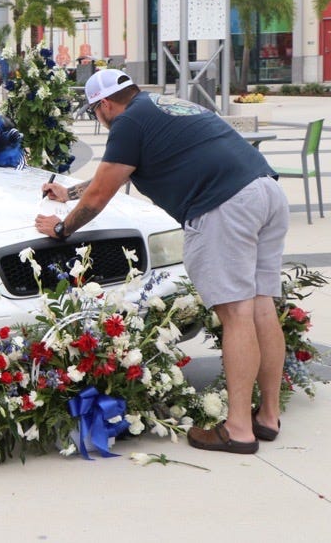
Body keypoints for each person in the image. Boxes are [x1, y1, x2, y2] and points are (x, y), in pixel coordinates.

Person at [34, 68, 289, 455]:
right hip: (265, 192)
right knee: (260, 307)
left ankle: (238, 429)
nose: (98, 120)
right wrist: (69, 192)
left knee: (236, 313)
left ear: (104, 105)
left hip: (225, 204)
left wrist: (60, 229)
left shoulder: (128, 122)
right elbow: (115, 174)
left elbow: (102, 194)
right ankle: (268, 417)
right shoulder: (162, 105)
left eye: (93, 112)